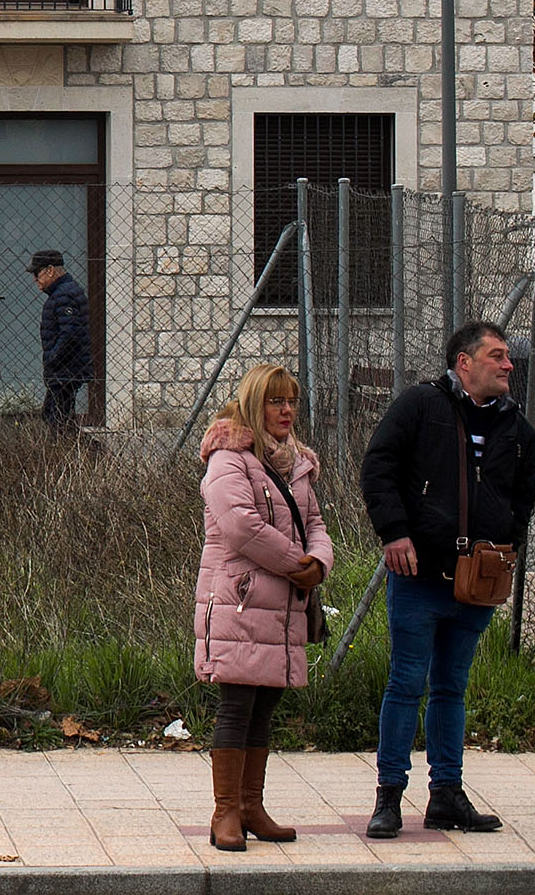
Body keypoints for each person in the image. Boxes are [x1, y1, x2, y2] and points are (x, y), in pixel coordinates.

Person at [359, 319, 535, 838]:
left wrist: (505, 549)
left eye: (507, 357)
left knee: (452, 688)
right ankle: (389, 796)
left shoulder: (517, 428)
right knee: (406, 683)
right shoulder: (421, 405)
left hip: (476, 584)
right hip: (418, 576)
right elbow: (378, 468)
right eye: (497, 356)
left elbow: (522, 497)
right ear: (465, 362)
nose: (508, 365)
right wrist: (394, 533)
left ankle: (446, 796)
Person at [193, 363, 330, 851]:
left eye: (292, 401)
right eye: (276, 401)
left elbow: (315, 523)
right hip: (240, 600)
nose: (287, 410)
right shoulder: (228, 459)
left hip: (283, 604)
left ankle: (252, 805)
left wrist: (319, 562)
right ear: (255, 403)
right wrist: (298, 564)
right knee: (237, 704)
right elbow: (241, 526)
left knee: (265, 705)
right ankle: (225, 812)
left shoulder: (297, 462)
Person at [33, 250, 92, 434]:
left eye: (37, 274)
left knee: (57, 421)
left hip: (65, 371)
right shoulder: (63, 292)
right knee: (58, 419)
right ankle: (80, 449)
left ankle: (91, 450)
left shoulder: (63, 295)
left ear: (50, 270)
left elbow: (70, 334)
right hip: (65, 370)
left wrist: (52, 358)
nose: (36, 280)